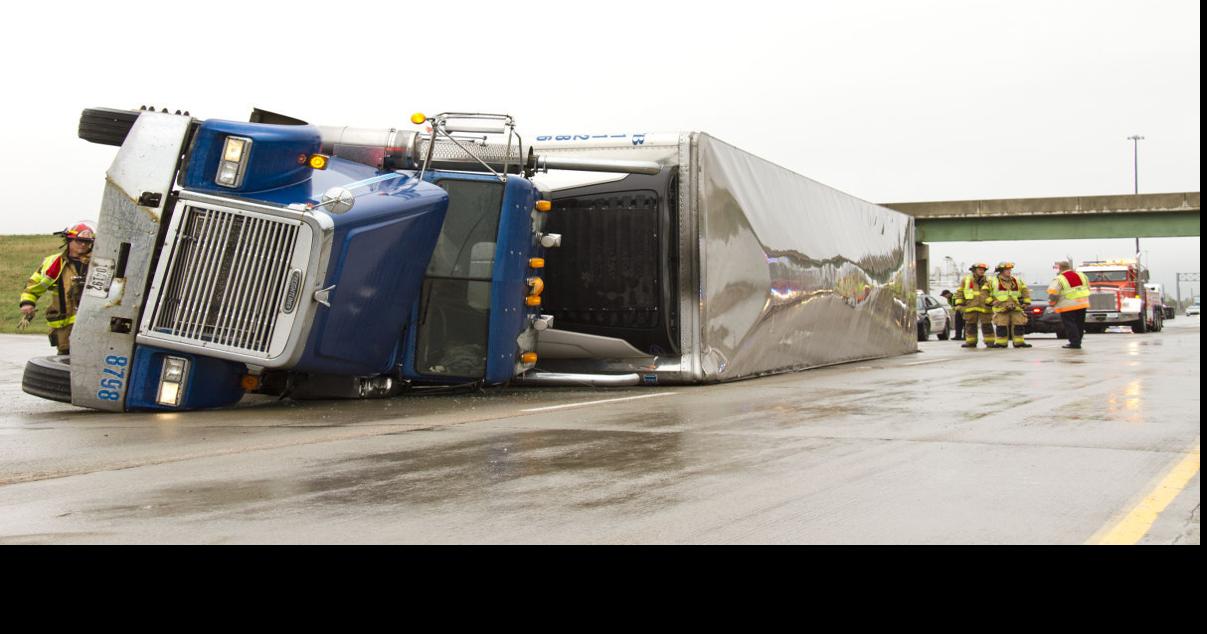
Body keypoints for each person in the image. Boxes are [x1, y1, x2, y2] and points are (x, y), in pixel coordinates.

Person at [18, 221, 96, 355]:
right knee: (64, 363)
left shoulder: (100, 263)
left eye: (87, 242)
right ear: (69, 240)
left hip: (92, 325)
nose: (83, 244)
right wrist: (27, 303)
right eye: (79, 241)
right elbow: (33, 285)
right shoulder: (53, 263)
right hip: (64, 327)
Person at [1047, 260, 1090, 349]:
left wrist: (1052, 303)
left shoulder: (1060, 279)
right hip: (1082, 303)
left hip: (1068, 305)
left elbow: (1053, 293)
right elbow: (1088, 287)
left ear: (1060, 268)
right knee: (1079, 324)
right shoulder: (1082, 275)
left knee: (1070, 324)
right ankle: (1078, 341)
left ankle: (1074, 343)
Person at [988, 262, 1032, 348]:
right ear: (1000, 271)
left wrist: (1026, 302)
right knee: (1001, 326)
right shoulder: (992, 281)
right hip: (1001, 308)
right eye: (1007, 270)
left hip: (1016, 307)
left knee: (1019, 325)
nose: (1009, 271)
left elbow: (1025, 291)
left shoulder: (1017, 280)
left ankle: (1019, 343)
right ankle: (1001, 343)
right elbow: (984, 293)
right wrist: (991, 302)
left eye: (1010, 269)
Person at [955, 262, 994, 348]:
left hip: (985, 307)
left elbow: (993, 293)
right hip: (970, 307)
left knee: (987, 325)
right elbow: (960, 292)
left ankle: (990, 342)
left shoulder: (989, 281)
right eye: (980, 269)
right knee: (970, 325)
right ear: (974, 270)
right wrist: (959, 304)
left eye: (983, 270)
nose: (982, 271)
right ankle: (970, 342)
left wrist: (991, 302)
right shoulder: (966, 280)